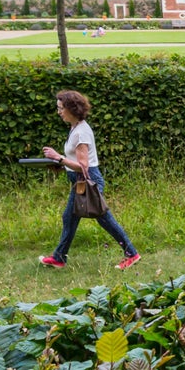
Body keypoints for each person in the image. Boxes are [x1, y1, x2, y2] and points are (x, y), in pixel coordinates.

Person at [39, 90, 141, 270]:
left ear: (72, 109)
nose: (59, 112)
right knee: (69, 218)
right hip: (79, 181)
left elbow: (84, 166)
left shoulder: (81, 133)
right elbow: (76, 162)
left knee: (104, 218)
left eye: (61, 108)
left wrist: (60, 158)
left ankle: (132, 254)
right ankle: (59, 258)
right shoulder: (75, 128)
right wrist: (60, 163)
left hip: (88, 180)